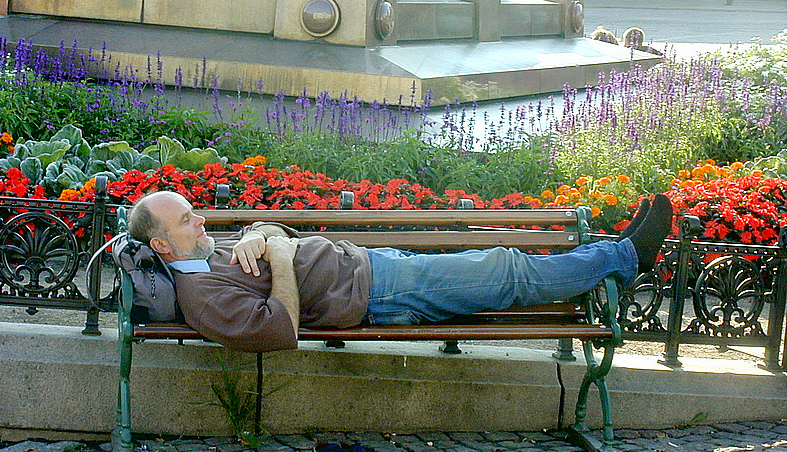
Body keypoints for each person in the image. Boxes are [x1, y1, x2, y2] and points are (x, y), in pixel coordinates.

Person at [126, 191, 673, 353]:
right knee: (505, 271)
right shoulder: (201, 293)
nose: (201, 219)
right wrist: (285, 261)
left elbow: (275, 231)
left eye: (195, 212)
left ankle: (618, 251)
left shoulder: (209, 248)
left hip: (373, 266)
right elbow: (278, 331)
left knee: (498, 266)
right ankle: (626, 257)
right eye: (187, 219)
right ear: (161, 244)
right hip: (377, 295)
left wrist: (259, 234)